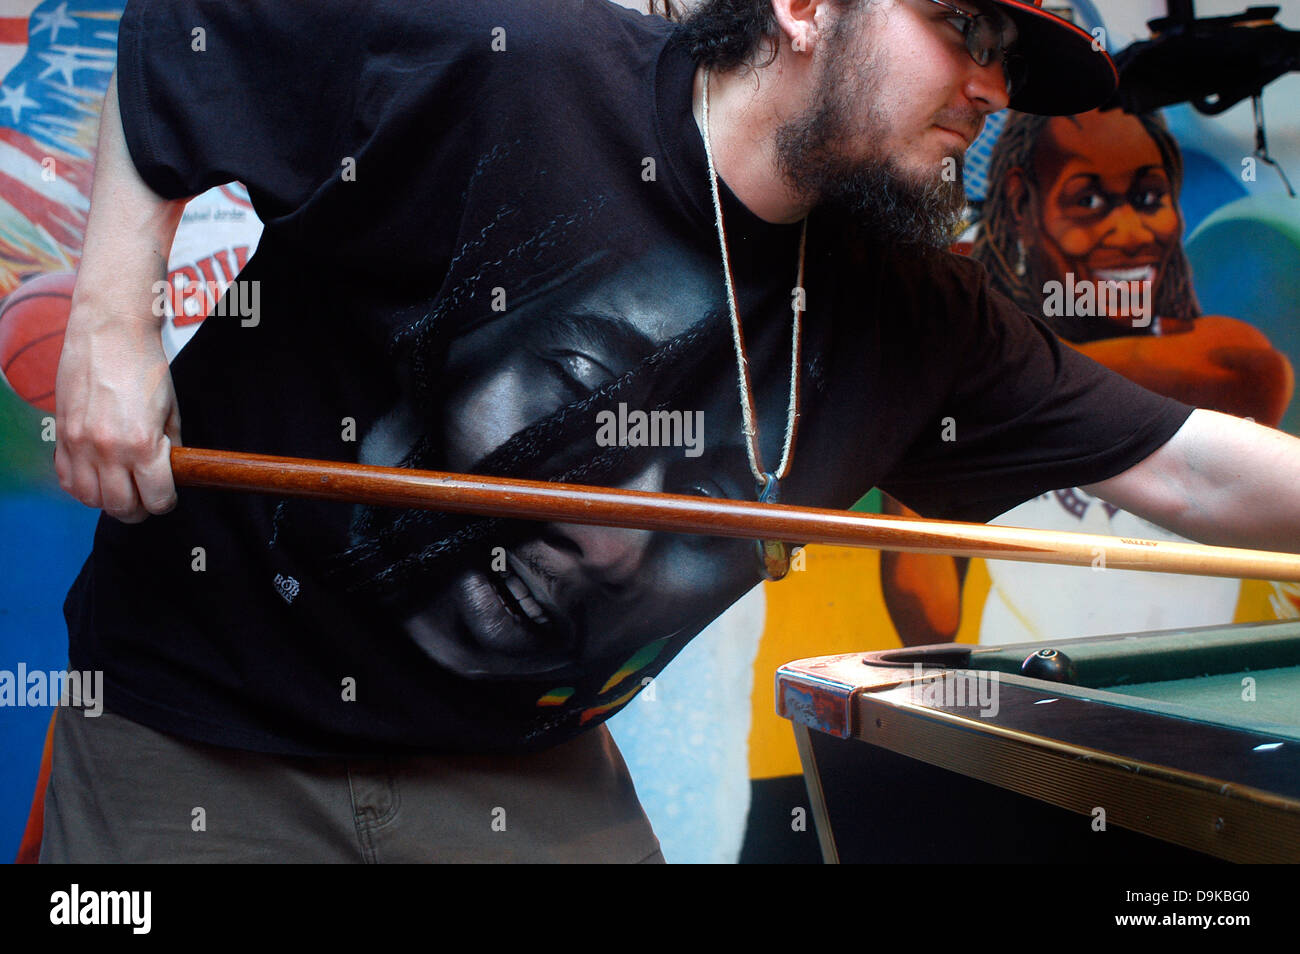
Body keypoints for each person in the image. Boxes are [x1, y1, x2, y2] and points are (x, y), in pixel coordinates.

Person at [45, 0, 1300, 862]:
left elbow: (1188, 471)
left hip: (519, 773)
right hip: (197, 730)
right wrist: (110, 321)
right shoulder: (507, 58)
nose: (990, 88)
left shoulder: (918, 313)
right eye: (958, 28)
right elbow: (196, 35)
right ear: (806, 7)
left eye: (1007, 63)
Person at [880, 105, 1295, 646]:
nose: (1128, 233)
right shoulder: (964, 378)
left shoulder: (1223, 356)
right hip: (1031, 697)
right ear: (1022, 205)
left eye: (1149, 199)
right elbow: (927, 607)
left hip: (1197, 697)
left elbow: (1247, 373)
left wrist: (955, 363)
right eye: (1088, 200)